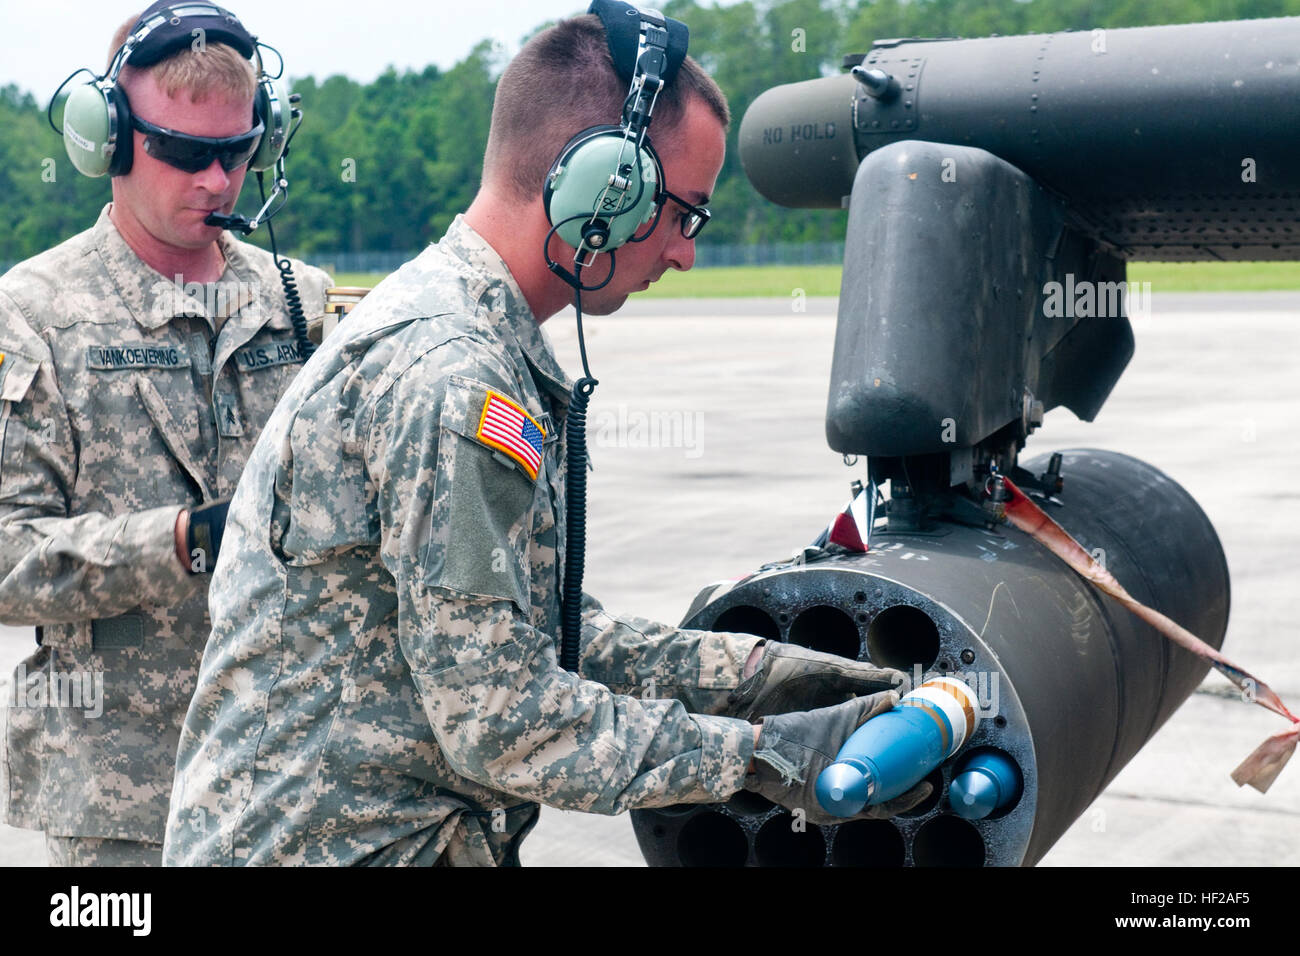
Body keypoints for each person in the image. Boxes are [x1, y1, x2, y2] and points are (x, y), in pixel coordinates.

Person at [163, 7, 926, 867]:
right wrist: (772, 757)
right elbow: (505, 721)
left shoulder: (473, 338)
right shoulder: (453, 375)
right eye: (686, 215)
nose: (686, 255)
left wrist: (762, 679)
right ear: (608, 187)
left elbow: (545, 636)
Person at [0, 2, 330, 866]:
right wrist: (188, 542)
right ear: (108, 140)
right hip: (127, 804)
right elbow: (4, 558)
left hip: (301, 780)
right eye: (183, 152)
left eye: (240, 149)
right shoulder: (32, 314)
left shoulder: (301, 300)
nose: (218, 181)